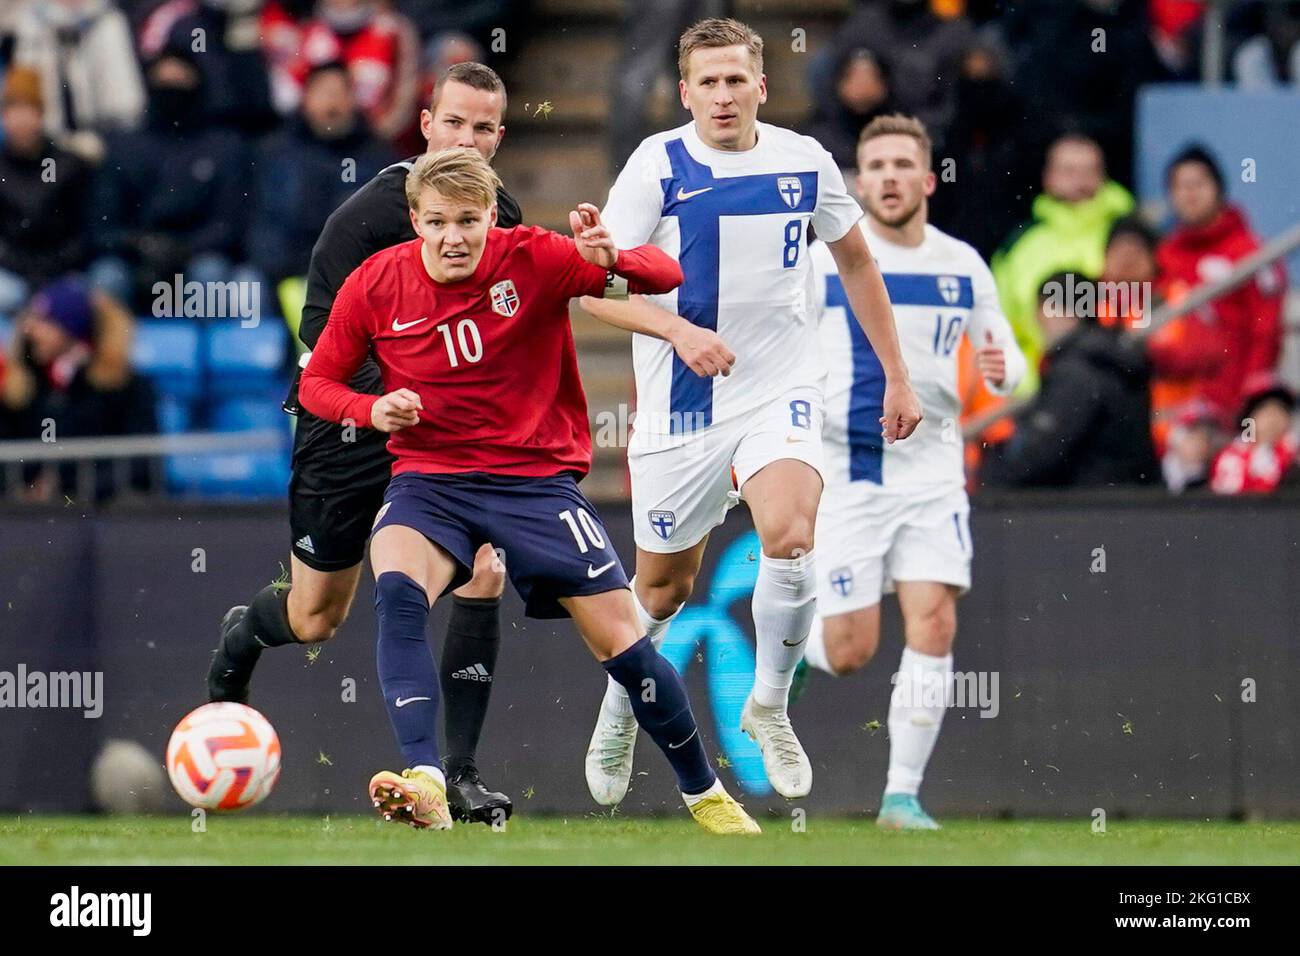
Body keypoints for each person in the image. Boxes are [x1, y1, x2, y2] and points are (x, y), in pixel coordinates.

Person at [299, 148, 759, 834]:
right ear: (414, 221)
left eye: (466, 220)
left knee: (627, 651)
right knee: (396, 589)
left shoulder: (535, 256)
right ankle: (424, 777)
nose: (452, 237)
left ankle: (706, 794)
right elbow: (317, 384)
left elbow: (667, 273)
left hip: (534, 481)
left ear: (490, 216)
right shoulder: (375, 283)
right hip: (432, 478)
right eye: (435, 222)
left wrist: (612, 256)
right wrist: (370, 411)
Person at [581, 18, 921, 806]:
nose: (725, 95)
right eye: (710, 81)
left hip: (781, 388)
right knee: (662, 591)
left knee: (792, 535)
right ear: (685, 91)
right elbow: (594, 289)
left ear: (762, 86)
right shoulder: (656, 165)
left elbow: (858, 260)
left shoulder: (804, 161)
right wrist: (676, 329)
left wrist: (896, 377)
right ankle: (622, 702)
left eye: (738, 79)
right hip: (683, 404)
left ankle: (768, 704)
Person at [206, 63, 523, 825]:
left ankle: (458, 777)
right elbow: (323, 346)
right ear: (425, 125)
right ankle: (244, 634)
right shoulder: (367, 217)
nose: (468, 140)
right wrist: (392, 398)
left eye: (483, 128)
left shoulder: (498, 215)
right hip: (344, 424)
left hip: (439, 433)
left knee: (485, 568)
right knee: (318, 617)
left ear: (500, 137)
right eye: (454, 123)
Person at [798, 115, 1025, 830]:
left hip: (931, 471)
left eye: (903, 164)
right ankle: (798, 650)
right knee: (853, 649)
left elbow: (1008, 358)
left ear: (927, 180)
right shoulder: (820, 260)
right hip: (851, 470)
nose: (889, 177)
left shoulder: (962, 263)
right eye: (876, 166)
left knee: (935, 619)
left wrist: (1005, 370)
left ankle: (901, 797)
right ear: (858, 181)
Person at [981, 274, 1159, 487]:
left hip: (1085, 508)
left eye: (1040, 310)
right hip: (1122, 503)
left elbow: (1036, 456)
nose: (1037, 321)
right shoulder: (1111, 359)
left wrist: (986, 471)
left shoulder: (1079, 370)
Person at [990, 133, 1135, 392]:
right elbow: (997, 325)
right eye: (1069, 171)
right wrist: (1021, 385)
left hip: (1116, 379)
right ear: (1049, 176)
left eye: (1089, 170)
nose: (1079, 181)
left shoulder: (1128, 236)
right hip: (1036, 390)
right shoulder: (1020, 245)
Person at [1156, 145, 1286, 424]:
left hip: (1231, 407)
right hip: (1172, 412)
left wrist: (1248, 403)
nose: (1190, 194)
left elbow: (1266, 332)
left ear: (1218, 188)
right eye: (1180, 185)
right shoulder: (1162, 257)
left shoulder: (1250, 254)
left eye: (1199, 183)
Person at [0, 278, 156, 502]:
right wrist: (25, 486)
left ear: (70, 328)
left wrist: (66, 488)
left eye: (44, 322)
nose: (32, 331)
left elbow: (142, 463)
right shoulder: (23, 386)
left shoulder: (125, 386)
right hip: (30, 521)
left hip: (102, 518)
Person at [248, 61, 395, 286]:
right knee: (246, 287)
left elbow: (386, 233)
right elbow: (260, 223)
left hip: (356, 277)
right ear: (305, 99)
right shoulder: (275, 153)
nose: (331, 103)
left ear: (352, 99)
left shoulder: (379, 158)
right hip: (284, 273)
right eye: (322, 93)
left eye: (338, 93)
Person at [0, 66, 92, 315]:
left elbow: (83, 231)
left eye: (28, 110)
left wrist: (49, 270)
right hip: (11, 272)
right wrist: (26, 271)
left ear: (41, 115)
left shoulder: (70, 165)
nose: (20, 121)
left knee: (80, 296)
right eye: (12, 111)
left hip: (62, 270)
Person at [1210, 374, 1297, 495]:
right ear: (1249, 417)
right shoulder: (1231, 457)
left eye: (1281, 411)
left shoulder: (1294, 456)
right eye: (1267, 411)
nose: (1274, 419)